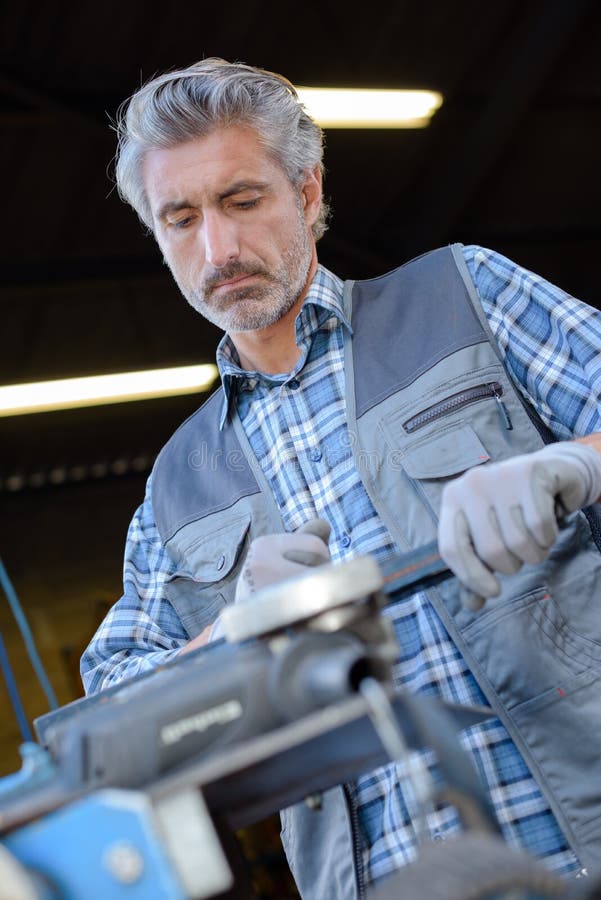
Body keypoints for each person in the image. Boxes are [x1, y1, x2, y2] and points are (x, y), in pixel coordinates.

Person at [80, 57, 601, 898]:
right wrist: (230, 637)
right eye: (180, 218)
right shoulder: (177, 485)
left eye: (241, 200)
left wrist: (573, 462)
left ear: (308, 190)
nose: (218, 249)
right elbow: (105, 721)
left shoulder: (462, 296)